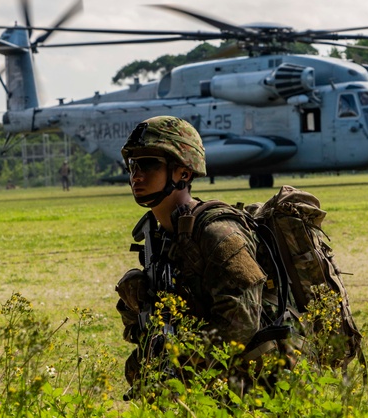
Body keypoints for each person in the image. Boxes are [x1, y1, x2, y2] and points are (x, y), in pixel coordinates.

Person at [115, 116, 298, 396]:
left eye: (149, 163)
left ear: (184, 173)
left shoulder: (218, 233)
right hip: (214, 370)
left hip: (261, 377)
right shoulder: (159, 233)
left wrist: (176, 354)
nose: (136, 175)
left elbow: (241, 326)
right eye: (133, 164)